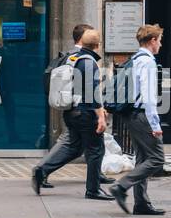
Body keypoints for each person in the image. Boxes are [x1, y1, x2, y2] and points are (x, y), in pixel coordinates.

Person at [32, 28, 114, 200]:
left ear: (81, 43)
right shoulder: (89, 62)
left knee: (74, 147)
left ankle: (42, 170)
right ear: (98, 45)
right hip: (85, 112)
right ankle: (93, 190)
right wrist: (100, 116)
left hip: (71, 111)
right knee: (95, 150)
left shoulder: (71, 58)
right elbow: (92, 92)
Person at [108, 24, 167, 216]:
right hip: (142, 115)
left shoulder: (135, 58)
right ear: (152, 41)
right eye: (159, 40)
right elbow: (149, 97)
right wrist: (155, 124)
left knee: (142, 159)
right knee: (157, 159)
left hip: (130, 115)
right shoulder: (148, 62)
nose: (160, 44)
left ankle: (141, 203)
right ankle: (121, 186)